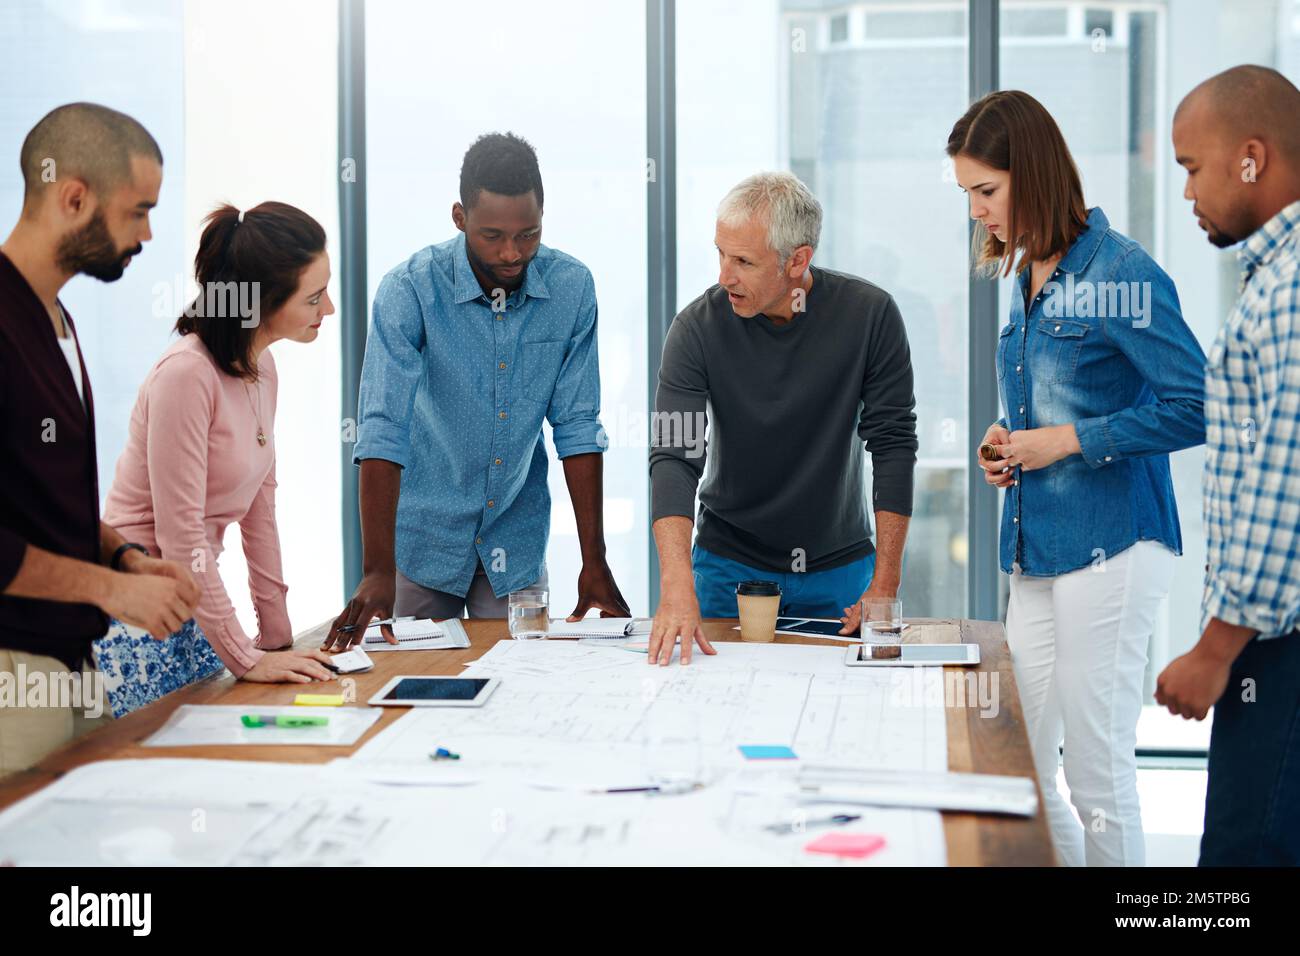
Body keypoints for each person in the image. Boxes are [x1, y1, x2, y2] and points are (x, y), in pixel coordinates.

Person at [951, 90, 1207, 866]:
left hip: (1116, 545)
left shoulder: (1122, 270)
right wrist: (1008, 441)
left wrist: (1067, 441)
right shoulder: (1026, 275)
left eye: (986, 192)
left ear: (1030, 174)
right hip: (1037, 550)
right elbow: (1044, 404)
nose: (977, 213)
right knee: (1020, 762)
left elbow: (1197, 405)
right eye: (967, 195)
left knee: (1096, 772)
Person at [326, 132, 628, 647]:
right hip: (421, 544)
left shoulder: (572, 288)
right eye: (492, 236)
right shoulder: (410, 291)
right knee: (416, 693)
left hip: (516, 540)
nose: (512, 253)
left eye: (528, 234)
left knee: (522, 693)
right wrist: (378, 569)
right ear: (459, 217)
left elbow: (577, 427)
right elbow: (382, 431)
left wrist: (593, 559)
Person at [0, 103, 199, 777]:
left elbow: (46, 501)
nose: (147, 233)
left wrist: (127, 563)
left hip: (72, 666)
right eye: (138, 210)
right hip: (14, 675)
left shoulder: (57, 317)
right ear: (74, 197)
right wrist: (112, 595)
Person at [647, 171, 918, 666]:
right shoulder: (695, 328)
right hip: (726, 568)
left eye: (744, 261)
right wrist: (675, 581)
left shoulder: (870, 316)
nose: (724, 276)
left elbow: (894, 444)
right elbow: (674, 456)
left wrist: (886, 583)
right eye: (721, 254)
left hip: (839, 572)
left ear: (797, 260)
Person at [98, 202, 338, 713]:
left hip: (192, 603)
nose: (329, 310)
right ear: (263, 302)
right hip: (138, 612)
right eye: (314, 298)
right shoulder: (186, 375)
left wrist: (277, 637)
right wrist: (245, 658)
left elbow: (260, 509)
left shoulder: (263, 368)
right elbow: (181, 537)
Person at [1158, 65, 1300, 866]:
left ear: (1252, 157)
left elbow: (1288, 480)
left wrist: (1215, 651)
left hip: (1278, 654)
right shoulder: (1271, 281)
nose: (1186, 192)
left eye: (1190, 167)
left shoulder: (1290, 291)